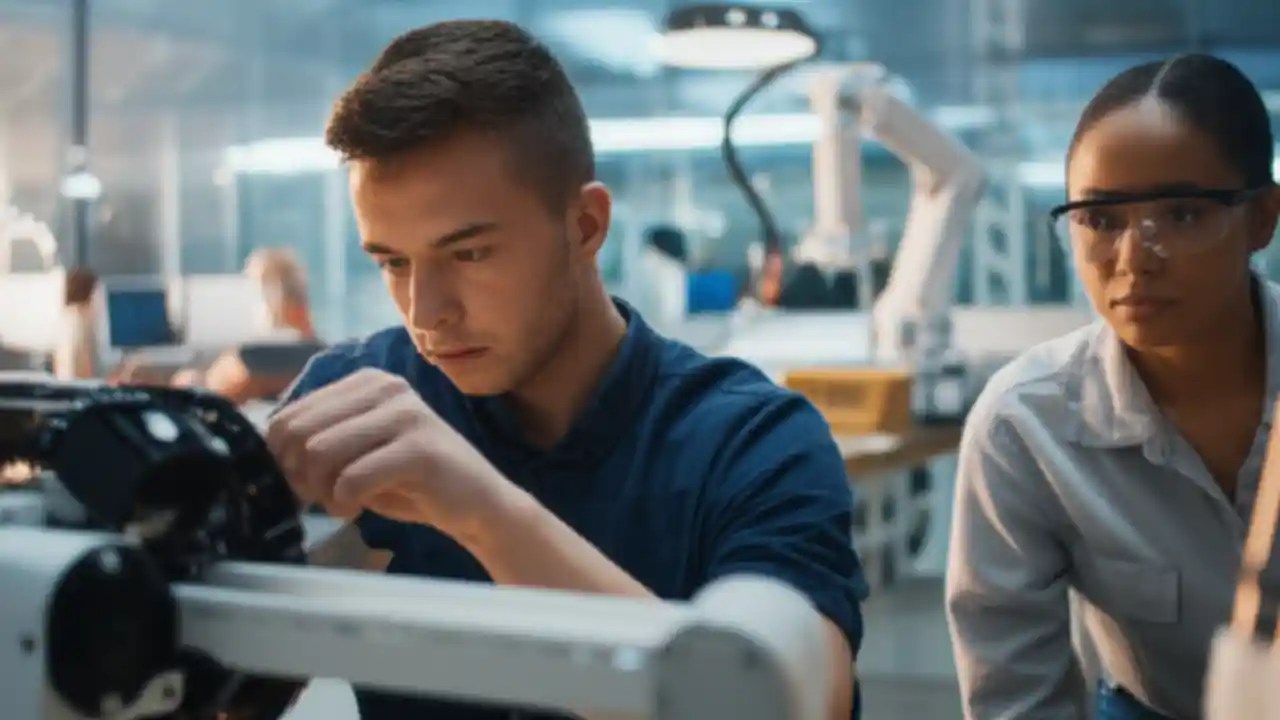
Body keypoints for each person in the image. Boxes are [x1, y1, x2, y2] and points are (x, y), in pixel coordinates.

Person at [266, 19, 866, 720]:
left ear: (584, 226)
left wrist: (486, 514)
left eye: (469, 254)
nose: (426, 313)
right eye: (393, 262)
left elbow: (802, 703)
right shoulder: (358, 400)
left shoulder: (755, 441)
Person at [946, 53, 1280, 719]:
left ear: (1263, 217)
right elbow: (1017, 697)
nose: (1133, 260)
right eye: (1100, 220)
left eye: (1182, 214)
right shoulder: (1026, 427)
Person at [52, 267, 99, 380]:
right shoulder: (82, 321)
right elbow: (83, 362)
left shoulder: (64, 318)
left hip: (63, 383)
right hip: (80, 384)